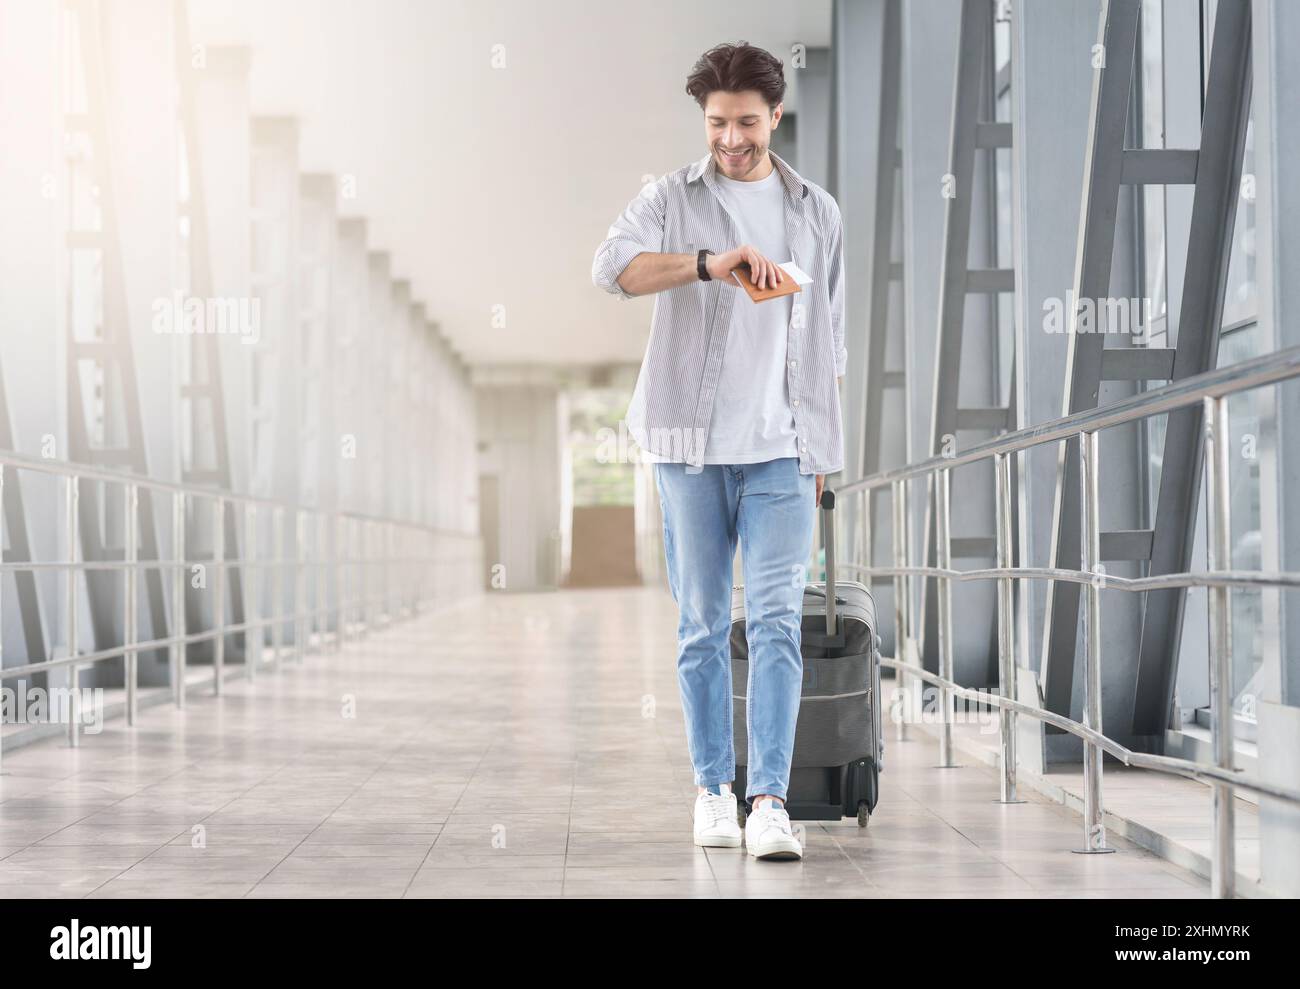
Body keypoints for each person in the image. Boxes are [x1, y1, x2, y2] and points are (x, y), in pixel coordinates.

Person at [591, 41, 846, 860]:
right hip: (687, 447)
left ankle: (768, 798)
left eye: (744, 122)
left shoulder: (818, 213)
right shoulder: (671, 197)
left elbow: (830, 343)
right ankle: (711, 789)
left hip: (782, 451)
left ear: (775, 115)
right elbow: (611, 269)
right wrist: (710, 265)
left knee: (776, 622)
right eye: (715, 123)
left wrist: (819, 454)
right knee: (702, 623)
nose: (730, 139)